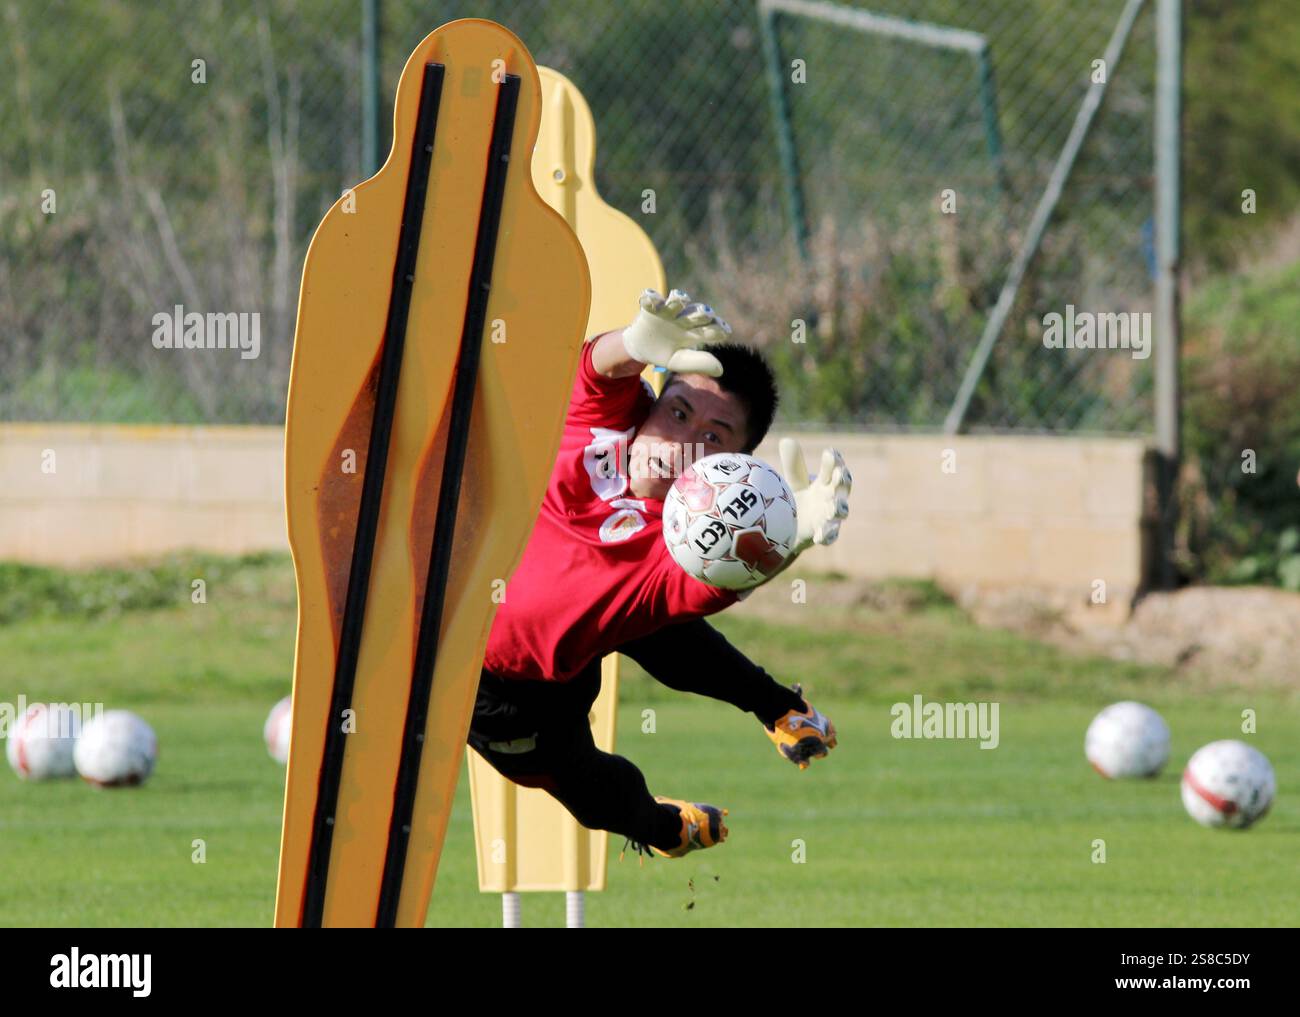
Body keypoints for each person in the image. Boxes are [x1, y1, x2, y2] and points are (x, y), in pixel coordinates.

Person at [470, 288, 851, 859]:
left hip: (521, 693)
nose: (680, 440)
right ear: (652, 402)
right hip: (454, 620)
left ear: (730, 465)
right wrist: (633, 343)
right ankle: (776, 706)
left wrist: (786, 538)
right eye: (677, 412)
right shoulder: (608, 425)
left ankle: (656, 826)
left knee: (593, 789)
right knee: (652, 626)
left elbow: (720, 577)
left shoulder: (679, 545)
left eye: (712, 437)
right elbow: (593, 373)